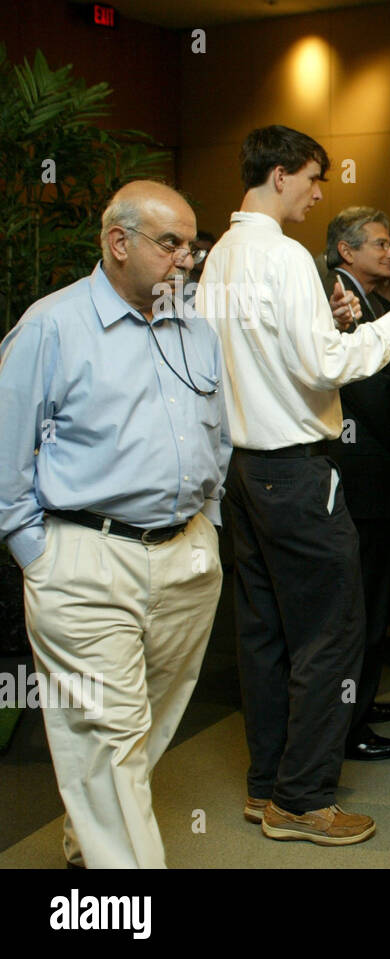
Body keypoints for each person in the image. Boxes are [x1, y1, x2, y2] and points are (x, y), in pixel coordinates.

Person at [199, 124, 390, 846]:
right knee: (330, 634)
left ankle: (265, 785)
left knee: (265, 633)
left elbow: (259, 351)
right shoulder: (279, 254)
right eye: (313, 178)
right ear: (280, 174)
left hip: (243, 470)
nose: (317, 192)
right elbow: (324, 369)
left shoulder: (222, 256)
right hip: (295, 470)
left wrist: (330, 327)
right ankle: (303, 799)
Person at [0, 181, 228, 867]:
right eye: (171, 243)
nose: (186, 258)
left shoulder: (197, 326)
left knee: (140, 730)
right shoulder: (51, 325)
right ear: (117, 242)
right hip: (84, 558)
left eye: (192, 243)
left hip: (187, 558)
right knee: (110, 732)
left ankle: (83, 840)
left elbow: (216, 437)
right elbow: (7, 457)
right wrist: (37, 553)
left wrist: (209, 526)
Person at [322, 205, 390, 762]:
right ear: (347, 250)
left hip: (378, 472)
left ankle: (364, 699)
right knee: (361, 606)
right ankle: (349, 722)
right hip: (362, 475)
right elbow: (372, 391)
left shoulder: (371, 299)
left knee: (375, 603)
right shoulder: (343, 302)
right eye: (379, 244)